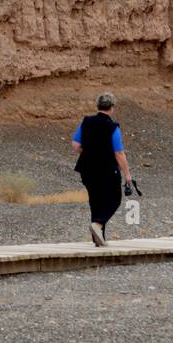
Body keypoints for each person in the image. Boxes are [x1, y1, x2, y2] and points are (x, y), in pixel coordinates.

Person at [70, 92, 134, 247]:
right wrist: (127, 175)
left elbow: (76, 145)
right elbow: (118, 153)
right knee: (114, 199)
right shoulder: (112, 127)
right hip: (107, 170)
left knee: (96, 201)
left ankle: (99, 240)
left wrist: (91, 150)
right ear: (112, 108)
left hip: (87, 169)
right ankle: (98, 225)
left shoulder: (86, 122)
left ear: (97, 106)